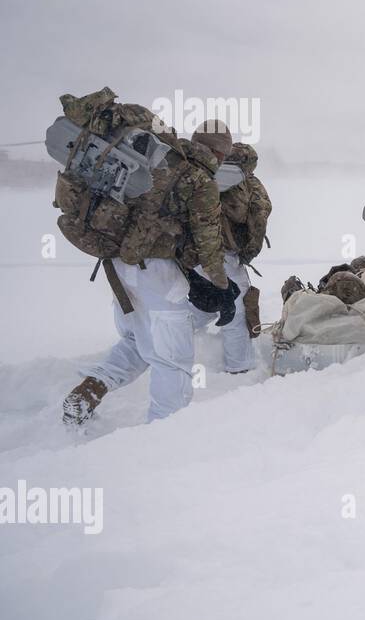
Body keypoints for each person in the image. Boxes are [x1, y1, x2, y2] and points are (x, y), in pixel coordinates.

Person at [63, 113, 233, 425]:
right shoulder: (200, 179)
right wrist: (223, 289)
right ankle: (165, 439)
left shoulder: (158, 159)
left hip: (118, 267)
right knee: (173, 361)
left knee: (138, 342)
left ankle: (87, 392)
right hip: (155, 274)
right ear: (220, 153)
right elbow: (209, 244)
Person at [187, 120, 271, 374]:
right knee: (236, 307)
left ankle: (167, 343)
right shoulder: (240, 180)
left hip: (184, 253)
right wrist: (247, 253)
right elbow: (258, 218)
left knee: (197, 302)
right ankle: (240, 368)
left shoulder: (183, 167)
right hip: (220, 254)